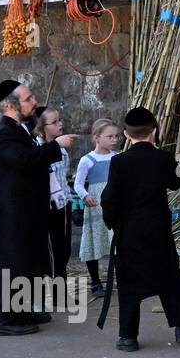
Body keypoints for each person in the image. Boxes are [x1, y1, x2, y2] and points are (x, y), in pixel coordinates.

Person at [98, 106, 180, 351]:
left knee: (129, 282)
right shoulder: (164, 158)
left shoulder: (119, 162)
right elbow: (177, 182)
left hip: (129, 232)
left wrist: (114, 224)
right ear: (155, 131)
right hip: (158, 229)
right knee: (170, 276)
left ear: (126, 135)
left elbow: (109, 199)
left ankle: (128, 337)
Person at [0, 80, 77, 335]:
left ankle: (24, 310)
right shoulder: (5, 133)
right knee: (13, 263)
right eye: (28, 99)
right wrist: (56, 145)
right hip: (12, 213)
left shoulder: (19, 129)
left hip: (26, 211)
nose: (34, 101)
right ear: (10, 105)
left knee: (27, 261)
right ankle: (8, 320)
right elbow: (25, 161)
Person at [74, 119, 120, 298]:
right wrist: (85, 196)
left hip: (114, 205)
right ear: (96, 138)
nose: (114, 139)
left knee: (115, 242)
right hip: (96, 206)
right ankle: (95, 282)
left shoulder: (117, 157)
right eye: (110, 136)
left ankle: (120, 278)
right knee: (93, 242)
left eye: (116, 136)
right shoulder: (87, 160)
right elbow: (78, 184)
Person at [33, 106, 73, 302]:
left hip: (63, 204)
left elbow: (63, 178)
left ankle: (60, 293)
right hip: (45, 206)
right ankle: (41, 295)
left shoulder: (62, 148)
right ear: (41, 128)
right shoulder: (37, 149)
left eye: (60, 120)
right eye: (54, 122)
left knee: (63, 249)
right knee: (47, 251)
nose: (60, 125)